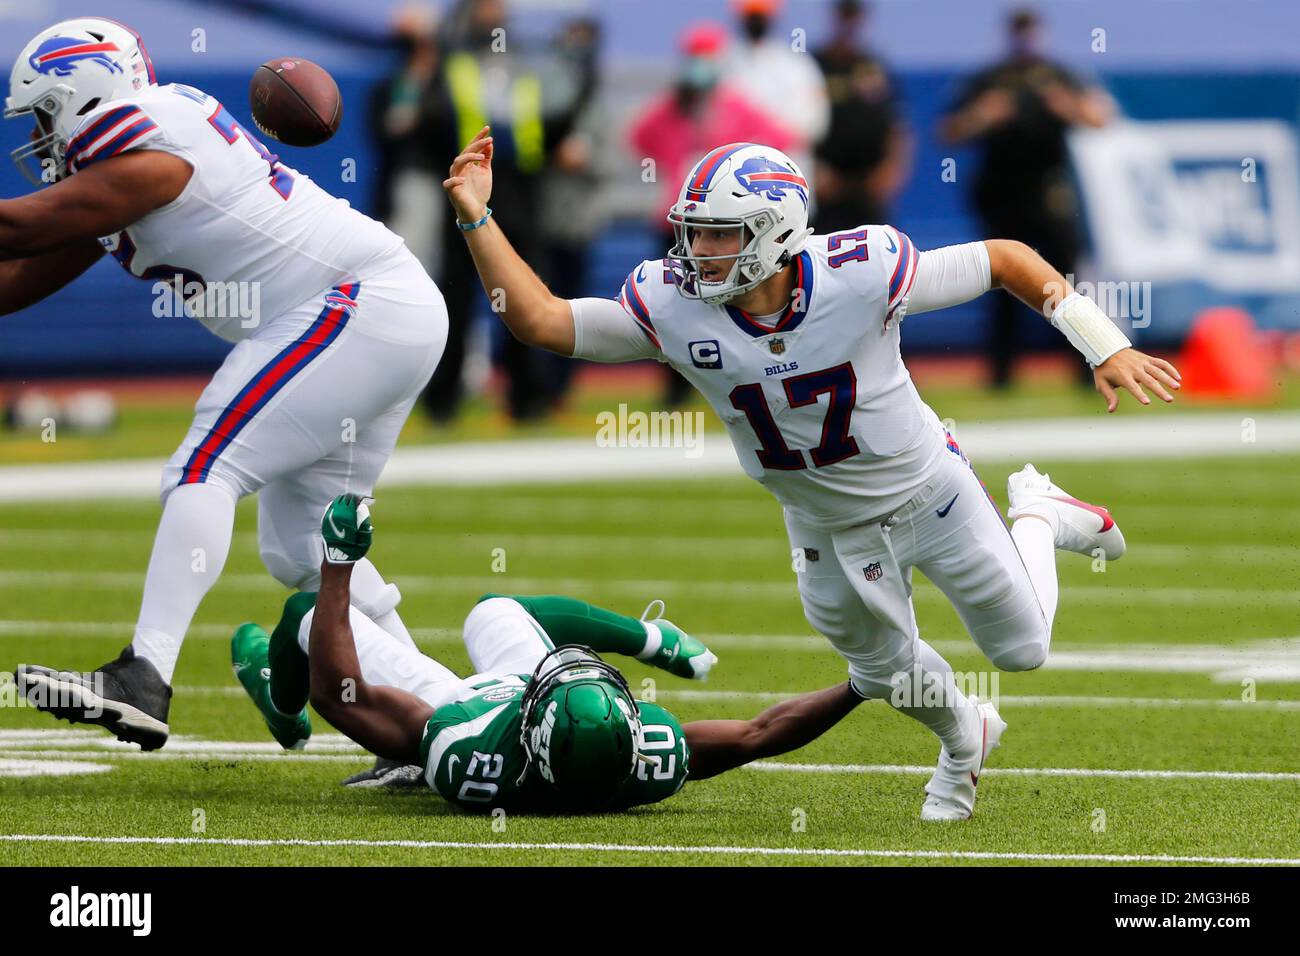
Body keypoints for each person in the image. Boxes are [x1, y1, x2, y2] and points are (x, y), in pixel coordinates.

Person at [441, 130, 1182, 820]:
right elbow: (539, 321)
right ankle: (966, 740)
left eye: (719, 234)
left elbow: (1006, 259)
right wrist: (478, 216)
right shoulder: (671, 305)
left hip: (931, 492)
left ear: (776, 232)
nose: (698, 250)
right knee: (887, 672)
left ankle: (1039, 512)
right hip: (822, 523)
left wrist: (1099, 342)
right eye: (692, 231)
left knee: (1022, 651)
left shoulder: (860, 271)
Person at [7, 18, 447, 750]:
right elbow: (17, 278)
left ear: (82, 90)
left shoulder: (150, 139)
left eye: (46, 111)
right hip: (378, 312)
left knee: (207, 466)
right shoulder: (128, 169)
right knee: (306, 548)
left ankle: (144, 673)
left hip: (357, 302)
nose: (42, 134)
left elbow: (19, 230)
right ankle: (433, 718)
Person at [230, 494, 865, 811]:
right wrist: (863, 685)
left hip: (470, 704)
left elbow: (339, 690)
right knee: (492, 612)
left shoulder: (466, 752)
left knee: (302, 616)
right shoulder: (646, 759)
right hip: (527, 714)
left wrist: (339, 565)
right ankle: (653, 639)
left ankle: (275, 707)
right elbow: (761, 732)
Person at [940, 7, 1113, 388]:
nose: (1026, 40)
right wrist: (984, 116)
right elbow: (949, 131)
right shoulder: (990, 79)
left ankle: (1087, 367)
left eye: (1031, 32)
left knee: (1065, 279)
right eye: (1020, 33)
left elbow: (1103, 118)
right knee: (1002, 280)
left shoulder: (1058, 75)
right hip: (1002, 192)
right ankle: (1001, 375)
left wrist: (1066, 106)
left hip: (1049, 192)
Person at [628, 21, 794, 407]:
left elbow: (781, 139)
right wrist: (671, 166)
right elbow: (638, 137)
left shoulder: (735, 104)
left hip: (727, 221)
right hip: (679, 217)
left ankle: (736, 379)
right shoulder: (673, 107)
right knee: (675, 302)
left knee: (732, 301)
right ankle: (676, 385)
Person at [812, 0, 910, 232]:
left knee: (873, 252)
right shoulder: (814, 66)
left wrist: (891, 170)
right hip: (826, 184)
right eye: (845, 15)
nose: (849, 22)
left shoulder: (875, 66)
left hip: (868, 186)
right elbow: (795, 124)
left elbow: (898, 126)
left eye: (854, 15)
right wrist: (810, 169)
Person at [723, 0, 829, 177]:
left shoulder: (797, 65)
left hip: (787, 173)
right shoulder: (724, 62)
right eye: (751, 16)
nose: (755, 21)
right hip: (733, 175)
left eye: (760, 16)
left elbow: (815, 122)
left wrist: (773, 136)